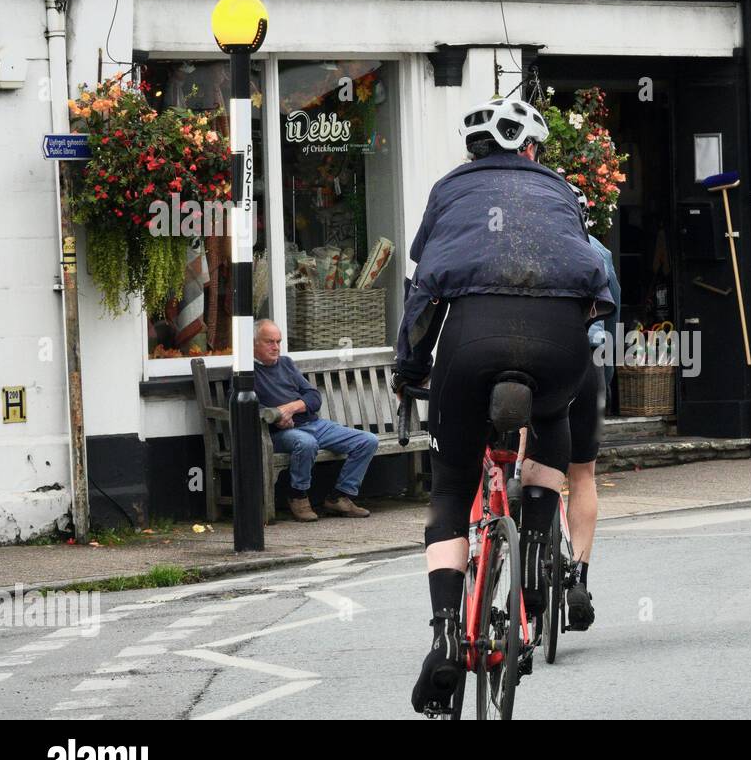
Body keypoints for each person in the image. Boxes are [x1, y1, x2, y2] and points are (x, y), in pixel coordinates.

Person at [395, 97, 614, 713]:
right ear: (533, 150)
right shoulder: (562, 192)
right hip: (559, 343)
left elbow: (426, 290)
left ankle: (444, 636)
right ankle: (537, 574)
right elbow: (599, 292)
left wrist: (410, 371)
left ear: (474, 151)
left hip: (470, 342)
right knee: (551, 419)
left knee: (449, 490)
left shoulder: (449, 191)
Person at [536, 182, 620, 631]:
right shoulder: (598, 254)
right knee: (582, 473)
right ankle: (580, 577)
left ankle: (528, 559)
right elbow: (610, 326)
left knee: (530, 465)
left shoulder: (520, 249)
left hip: (528, 371)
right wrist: (600, 387)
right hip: (582, 368)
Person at [252, 319, 378, 521]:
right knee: (306, 443)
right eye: (270, 342)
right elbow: (247, 408)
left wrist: (291, 408)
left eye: (278, 341)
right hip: (278, 433)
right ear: (253, 343)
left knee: (367, 440)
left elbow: (313, 396)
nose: (276, 347)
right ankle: (298, 495)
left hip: (313, 424)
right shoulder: (245, 372)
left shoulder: (285, 363)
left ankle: (339, 496)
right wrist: (275, 416)